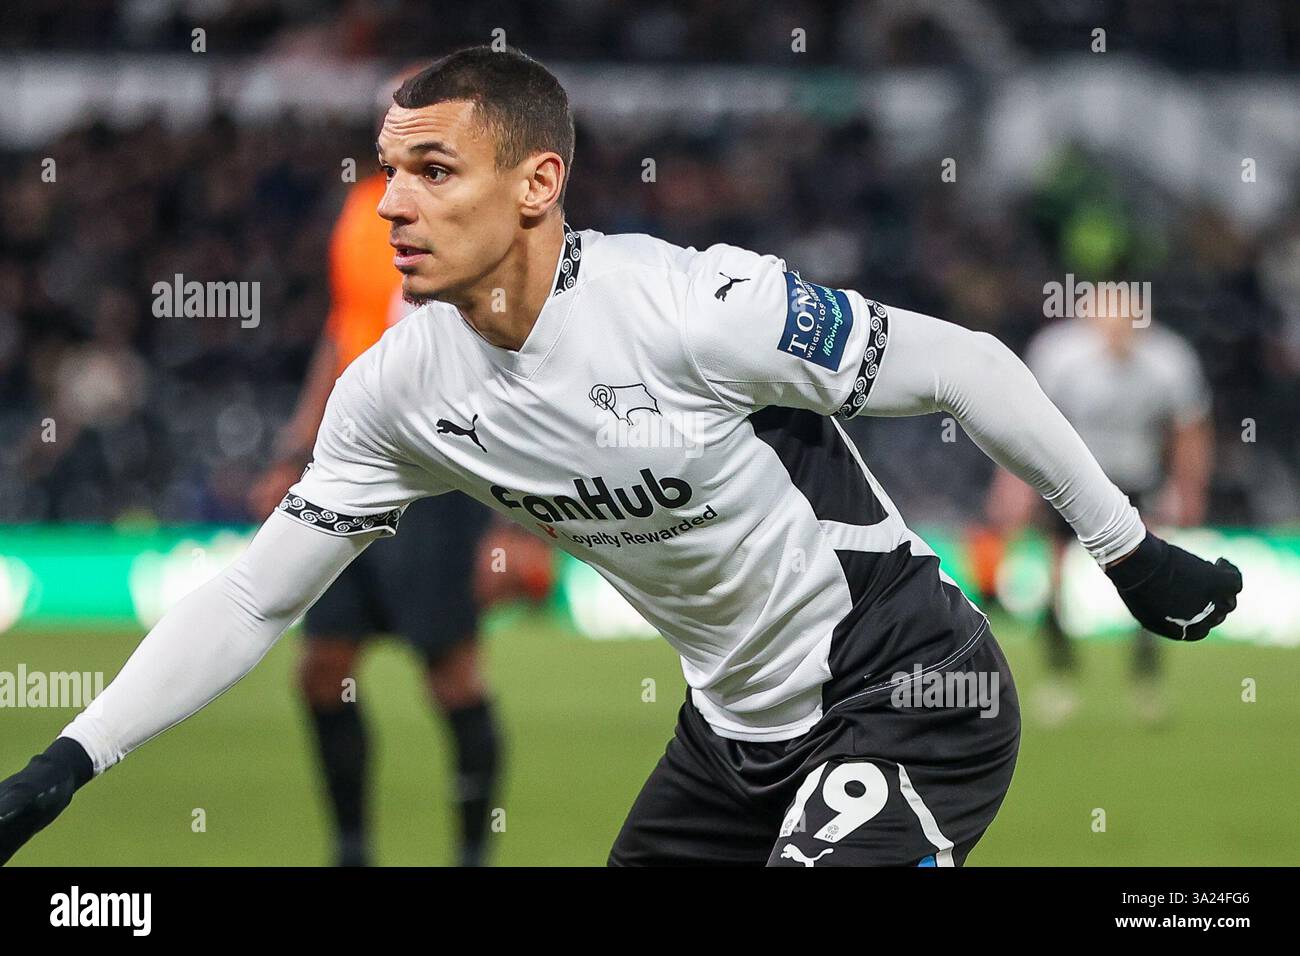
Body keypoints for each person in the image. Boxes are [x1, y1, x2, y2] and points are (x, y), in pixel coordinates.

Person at [0, 46, 1241, 867]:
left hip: (906, 697)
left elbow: (968, 365)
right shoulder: (398, 390)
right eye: (389, 172)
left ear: (538, 182)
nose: (392, 205)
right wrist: (67, 759)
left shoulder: (696, 310)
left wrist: (1129, 552)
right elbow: (254, 592)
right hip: (728, 735)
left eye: (435, 171)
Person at [247, 167, 500, 868]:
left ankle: (473, 854)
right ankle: (352, 851)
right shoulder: (363, 212)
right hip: (353, 465)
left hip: (437, 469)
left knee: (450, 673)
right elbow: (342, 332)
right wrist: (294, 448)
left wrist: (515, 520)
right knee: (322, 670)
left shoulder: (479, 211)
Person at [988, 303, 1213, 726]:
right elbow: (1026, 424)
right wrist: (1013, 487)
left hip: (1138, 480)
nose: (1116, 331)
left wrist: (1189, 490)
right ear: (1090, 320)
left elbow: (1189, 429)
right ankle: (1060, 677)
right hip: (1074, 479)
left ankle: (1146, 682)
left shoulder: (1169, 359)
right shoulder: (1058, 355)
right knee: (1055, 580)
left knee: (1149, 577)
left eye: (1124, 322)